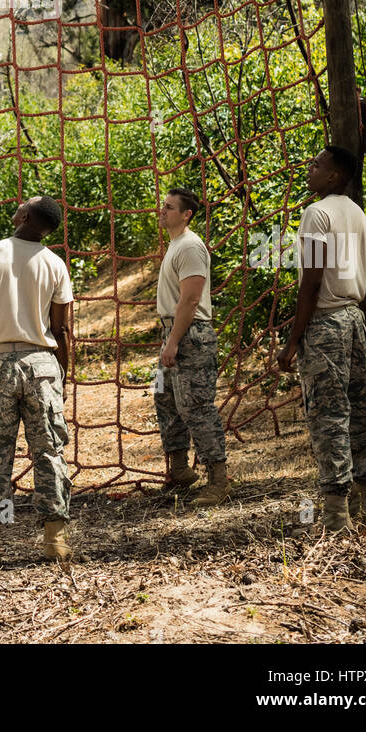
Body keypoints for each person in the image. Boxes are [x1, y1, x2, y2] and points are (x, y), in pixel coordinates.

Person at [0, 195, 73, 567]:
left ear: (24, 216)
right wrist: (62, 375)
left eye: (21, 204)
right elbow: (62, 328)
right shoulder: (55, 264)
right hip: (42, 364)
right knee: (48, 451)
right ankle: (55, 540)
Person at [276, 145, 366, 534]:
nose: (310, 167)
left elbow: (312, 281)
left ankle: (337, 511)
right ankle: (365, 500)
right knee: (362, 407)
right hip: (355, 318)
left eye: (318, 164)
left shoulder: (315, 214)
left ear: (335, 176)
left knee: (329, 414)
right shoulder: (357, 214)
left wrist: (293, 340)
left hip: (327, 323)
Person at [153, 187, 230, 505]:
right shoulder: (176, 245)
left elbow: (191, 298)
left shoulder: (190, 247)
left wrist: (173, 342)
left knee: (196, 407)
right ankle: (180, 470)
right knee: (165, 399)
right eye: (163, 206)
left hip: (190, 336)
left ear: (187, 214)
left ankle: (218, 480)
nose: (163, 210)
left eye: (170, 207)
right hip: (172, 333)